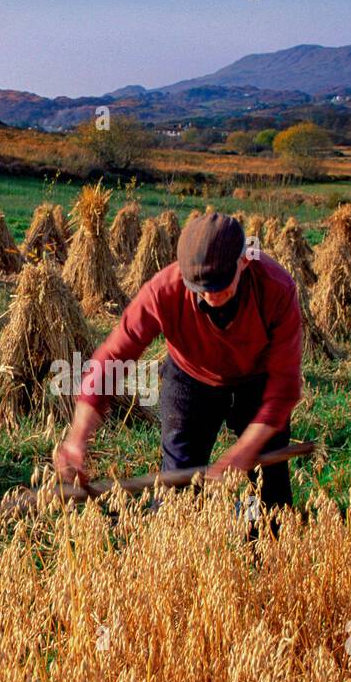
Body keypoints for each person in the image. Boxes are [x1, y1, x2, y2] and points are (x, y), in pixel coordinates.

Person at [54, 212, 303, 507]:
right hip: (192, 379)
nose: (211, 297)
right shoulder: (165, 289)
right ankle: (181, 540)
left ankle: (255, 530)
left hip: (257, 382)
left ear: (244, 261)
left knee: (268, 490)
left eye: (221, 285)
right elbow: (112, 358)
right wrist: (77, 438)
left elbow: (284, 387)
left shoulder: (276, 287)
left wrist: (246, 448)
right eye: (200, 288)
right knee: (177, 488)